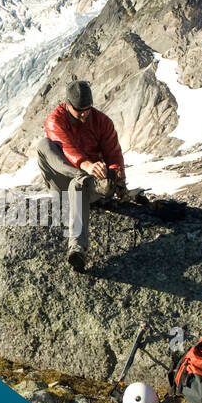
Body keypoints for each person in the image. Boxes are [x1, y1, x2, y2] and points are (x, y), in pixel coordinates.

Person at [36, 80, 127, 271]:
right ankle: (83, 178)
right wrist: (85, 167)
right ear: (68, 105)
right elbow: (64, 146)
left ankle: (77, 249)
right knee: (44, 145)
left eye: (88, 109)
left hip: (87, 187)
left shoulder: (102, 122)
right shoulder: (55, 120)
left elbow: (114, 154)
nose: (85, 114)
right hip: (65, 179)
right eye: (79, 110)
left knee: (77, 186)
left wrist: (119, 181)